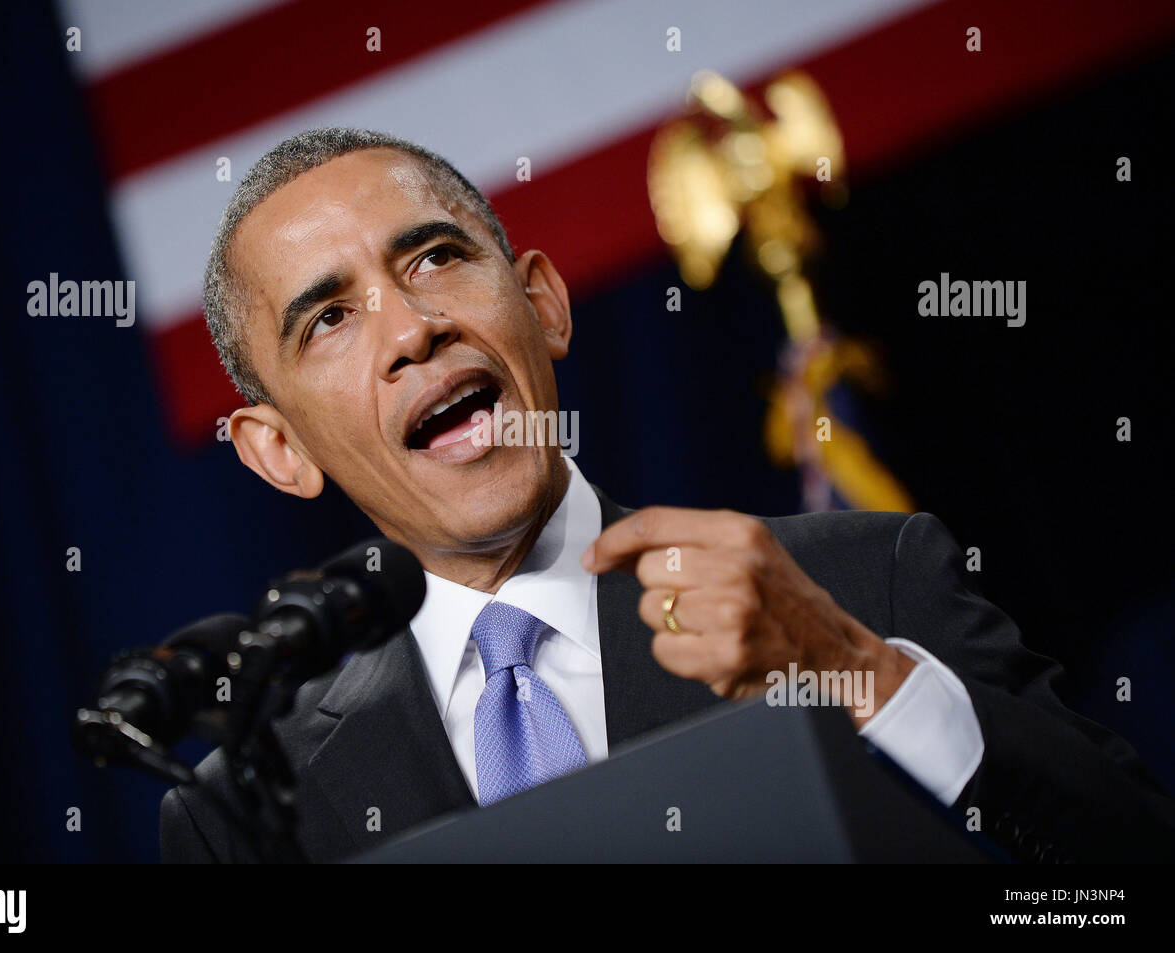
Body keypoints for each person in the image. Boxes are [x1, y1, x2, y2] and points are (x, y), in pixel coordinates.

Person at [160, 128, 1174, 863]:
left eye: (434, 257)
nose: (410, 327)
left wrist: (855, 668)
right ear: (277, 449)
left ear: (543, 303)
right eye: (330, 317)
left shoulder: (863, 581)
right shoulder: (244, 813)